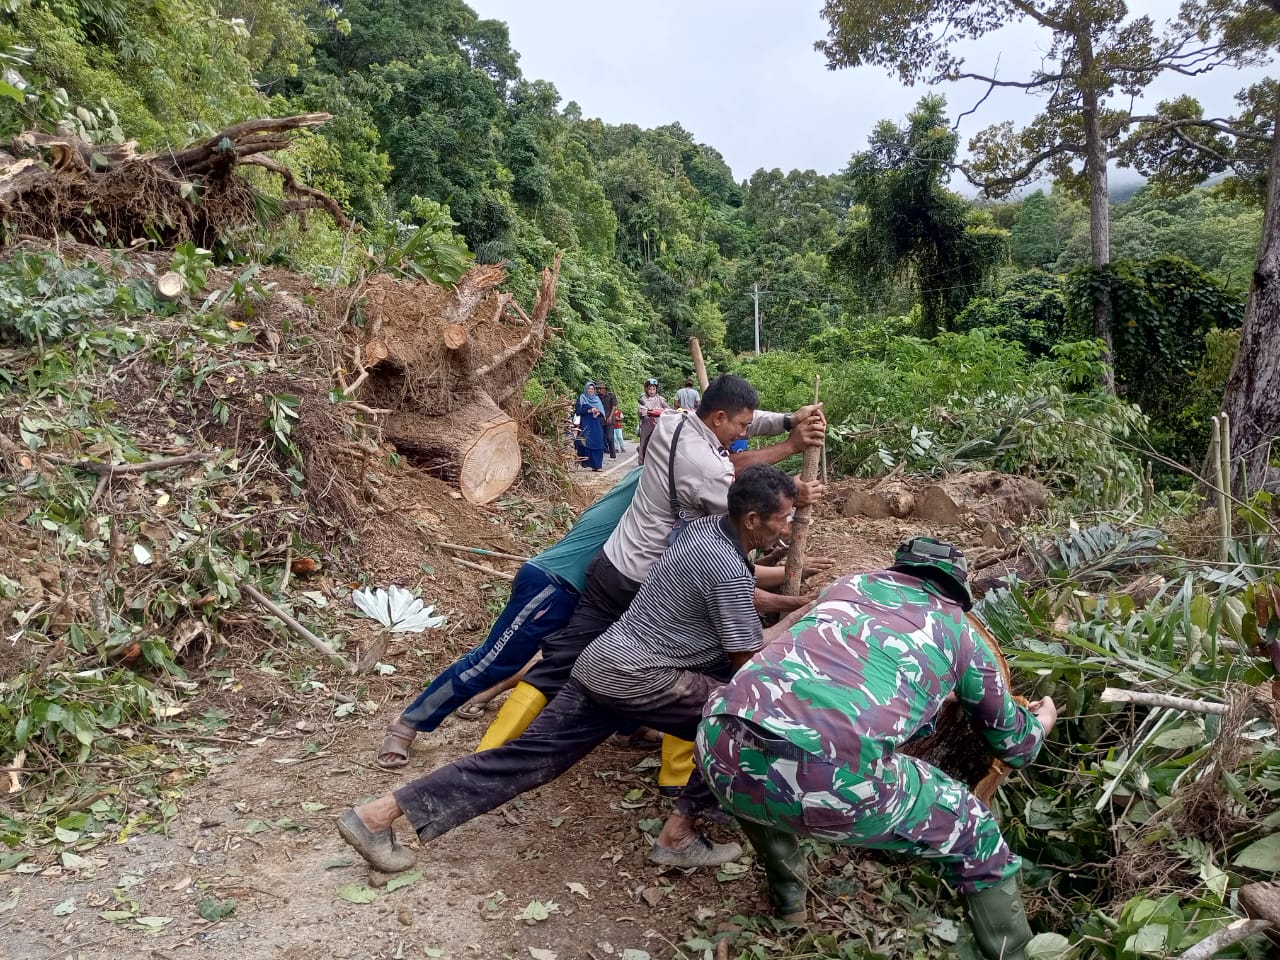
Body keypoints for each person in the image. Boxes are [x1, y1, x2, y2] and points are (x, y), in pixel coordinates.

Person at [338, 466, 800, 873]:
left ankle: (376, 816)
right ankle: (679, 836)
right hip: (642, 678)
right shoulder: (726, 569)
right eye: (783, 517)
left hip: (602, 663)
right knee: (734, 720)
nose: (789, 525)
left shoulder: (701, 532)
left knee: (526, 758)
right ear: (752, 519)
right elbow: (746, 661)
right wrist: (803, 618)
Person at [695, 538, 1058, 960]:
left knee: (768, 756)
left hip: (718, 741)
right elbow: (1015, 745)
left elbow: (844, 665)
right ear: (958, 592)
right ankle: (1014, 953)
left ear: (898, 570)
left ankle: (788, 903)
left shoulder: (848, 586)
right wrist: (1041, 723)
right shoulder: (960, 634)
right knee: (973, 829)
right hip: (828, 776)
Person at [476, 373, 826, 756]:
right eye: (740, 425)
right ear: (718, 418)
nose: (744, 430)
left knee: (560, 663)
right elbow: (744, 495)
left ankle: (494, 748)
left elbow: (742, 424)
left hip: (613, 563)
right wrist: (790, 470)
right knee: (698, 665)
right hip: (649, 578)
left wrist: (788, 420)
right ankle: (676, 776)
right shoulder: (708, 472)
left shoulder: (675, 420)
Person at [374, 469, 642, 768]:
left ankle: (629, 726)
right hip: (556, 584)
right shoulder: (656, 476)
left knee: (601, 660)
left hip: (597, 598)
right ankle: (407, 723)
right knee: (492, 662)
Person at [576, 381, 607, 471]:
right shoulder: (582, 398)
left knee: (598, 443)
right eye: (589, 389)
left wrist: (598, 412)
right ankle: (586, 462)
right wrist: (589, 411)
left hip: (596, 424)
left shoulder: (597, 399)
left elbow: (602, 413)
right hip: (586, 424)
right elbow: (578, 411)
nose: (590, 390)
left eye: (592, 389)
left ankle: (596, 465)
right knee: (586, 443)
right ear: (586, 389)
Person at [636, 378, 667, 466]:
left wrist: (660, 411)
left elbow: (667, 409)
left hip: (658, 423)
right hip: (647, 423)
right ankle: (641, 462)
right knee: (644, 442)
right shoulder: (643, 399)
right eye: (650, 389)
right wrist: (649, 412)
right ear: (646, 389)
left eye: (653, 389)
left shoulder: (660, 399)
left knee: (659, 442)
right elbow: (641, 411)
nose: (652, 391)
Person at [597, 381, 619, 459]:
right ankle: (603, 453)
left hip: (609, 419)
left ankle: (612, 454)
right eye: (597, 388)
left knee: (610, 437)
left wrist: (610, 416)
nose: (599, 390)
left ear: (604, 389)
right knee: (601, 437)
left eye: (600, 388)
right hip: (600, 418)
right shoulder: (597, 397)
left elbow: (614, 406)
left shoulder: (611, 395)